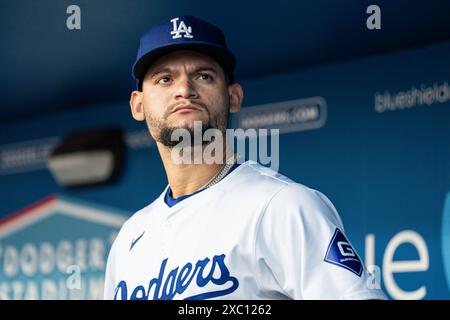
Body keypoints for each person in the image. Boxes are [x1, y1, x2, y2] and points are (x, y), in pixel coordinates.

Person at [103, 15, 386, 300]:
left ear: (234, 97)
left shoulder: (282, 206)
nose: (184, 90)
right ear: (138, 105)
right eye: (165, 79)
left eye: (203, 76)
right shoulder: (130, 237)